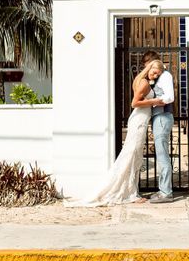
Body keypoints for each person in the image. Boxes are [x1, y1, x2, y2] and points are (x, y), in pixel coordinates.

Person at [66, 58, 170, 206]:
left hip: (140, 119)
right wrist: (155, 101)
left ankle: (132, 191)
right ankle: (130, 193)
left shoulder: (141, 80)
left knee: (134, 156)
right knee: (132, 156)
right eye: (154, 72)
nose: (155, 76)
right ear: (149, 68)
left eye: (158, 75)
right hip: (139, 121)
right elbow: (134, 103)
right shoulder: (144, 83)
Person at [140, 49, 175, 203]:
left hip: (162, 117)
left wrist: (154, 102)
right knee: (161, 154)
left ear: (153, 63)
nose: (146, 69)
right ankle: (163, 190)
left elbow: (170, 97)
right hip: (158, 117)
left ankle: (166, 192)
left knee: (162, 155)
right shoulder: (158, 77)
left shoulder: (165, 75)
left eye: (147, 65)